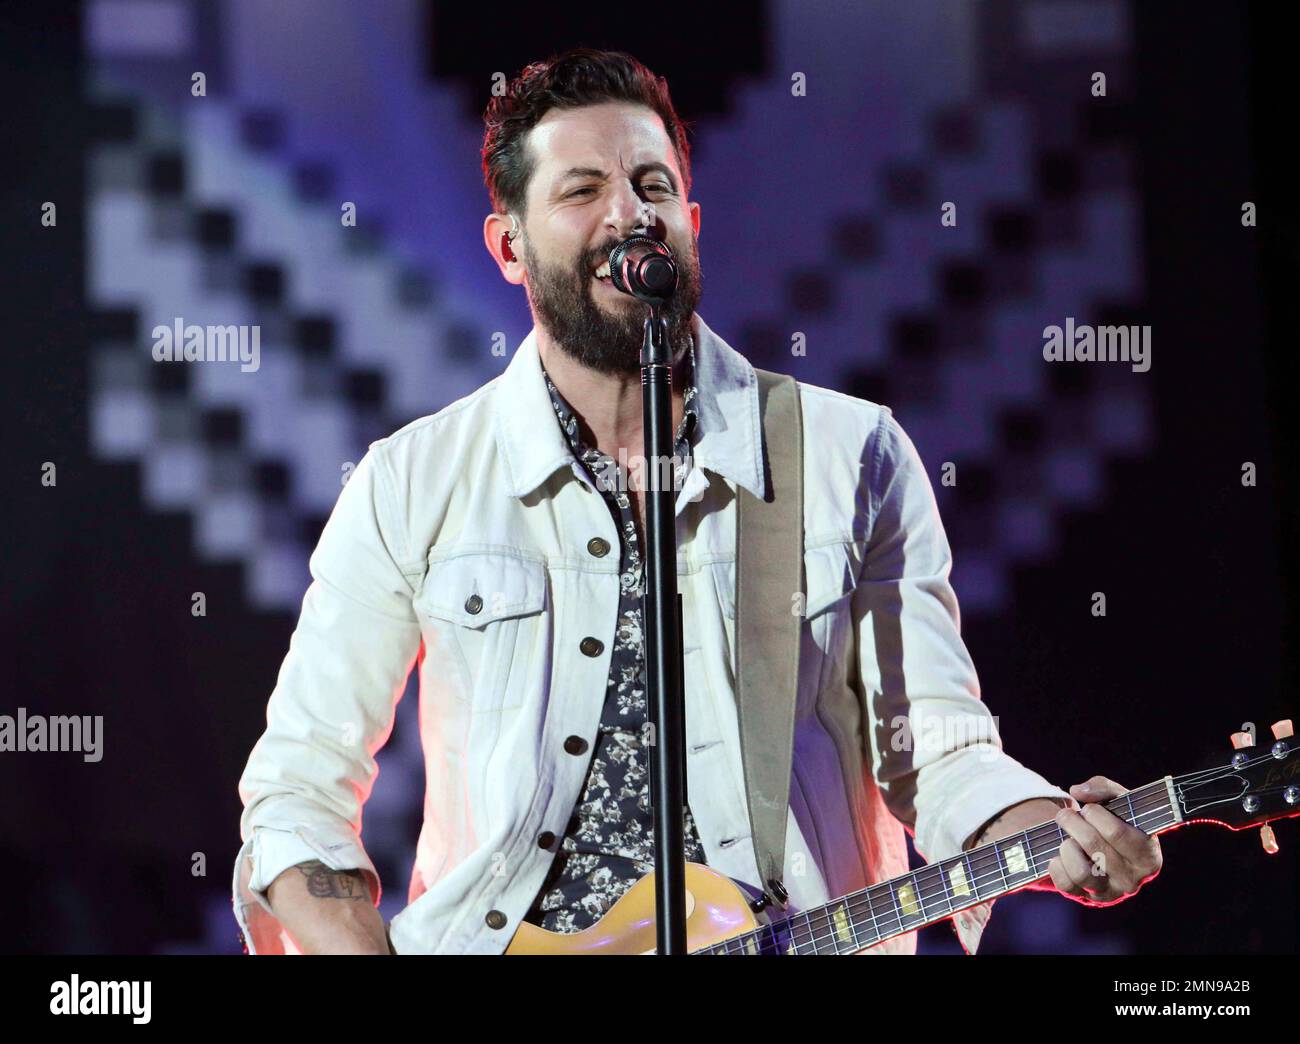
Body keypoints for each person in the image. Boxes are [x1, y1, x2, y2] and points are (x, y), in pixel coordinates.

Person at [232, 48, 1161, 955]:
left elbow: (937, 749)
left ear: (690, 219)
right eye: (581, 189)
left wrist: (1046, 826)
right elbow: (300, 789)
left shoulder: (848, 453)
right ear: (509, 246)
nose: (627, 214)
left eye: (652, 184)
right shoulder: (413, 480)